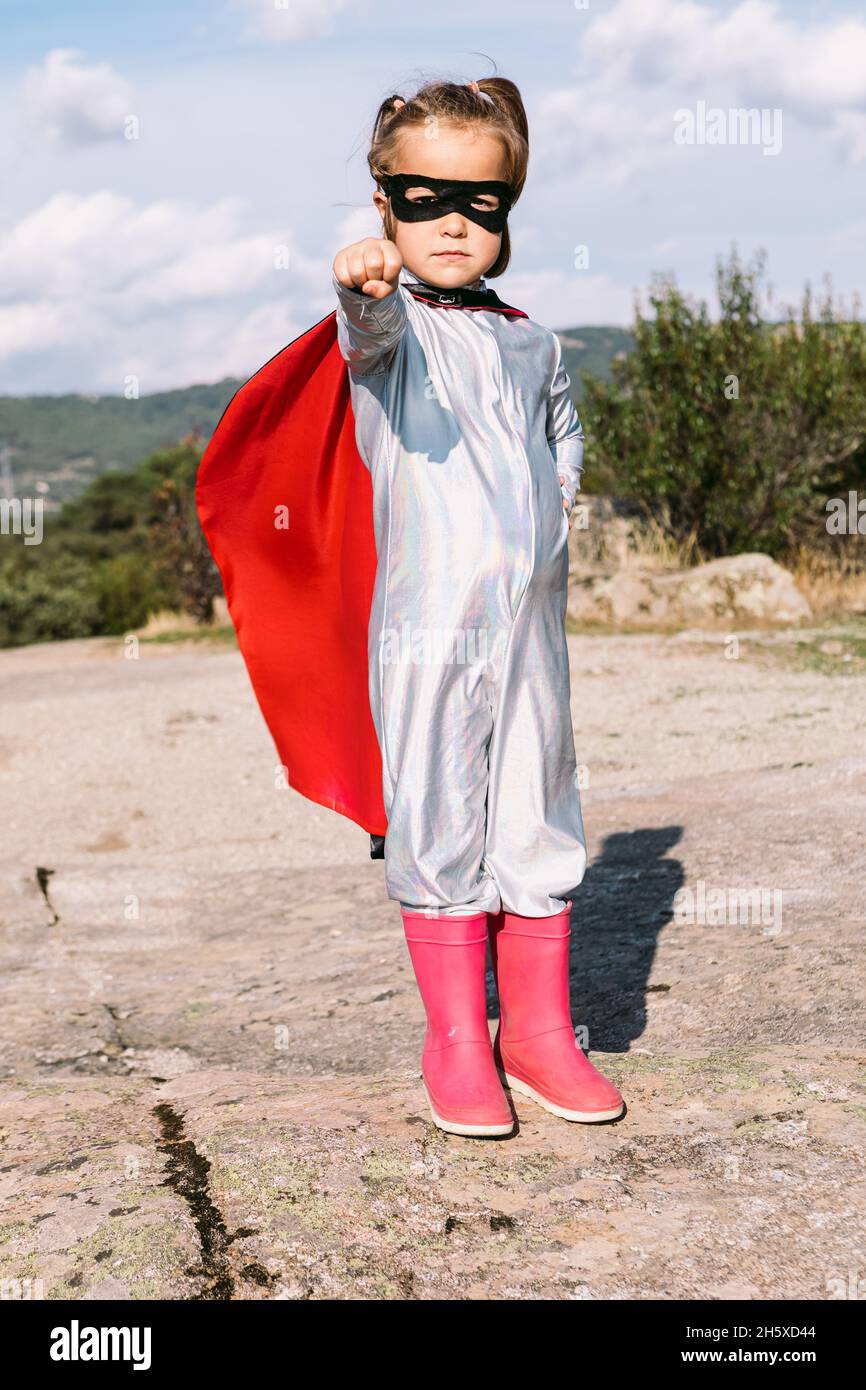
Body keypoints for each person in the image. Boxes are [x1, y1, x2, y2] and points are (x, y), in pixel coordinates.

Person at [330, 77, 624, 1136]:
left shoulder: (531, 340)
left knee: (536, 800)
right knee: (440, 799)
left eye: (480, 200)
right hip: (425, 626)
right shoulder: (392, 333)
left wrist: (550, 513)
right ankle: (457, 1035)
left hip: (528, 626)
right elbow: (362, 330)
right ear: (383, 202)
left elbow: (563, 437)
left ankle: (538, 1031)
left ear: (506, 208)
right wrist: (361, 286)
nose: (450, 219)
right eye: (419, 196)